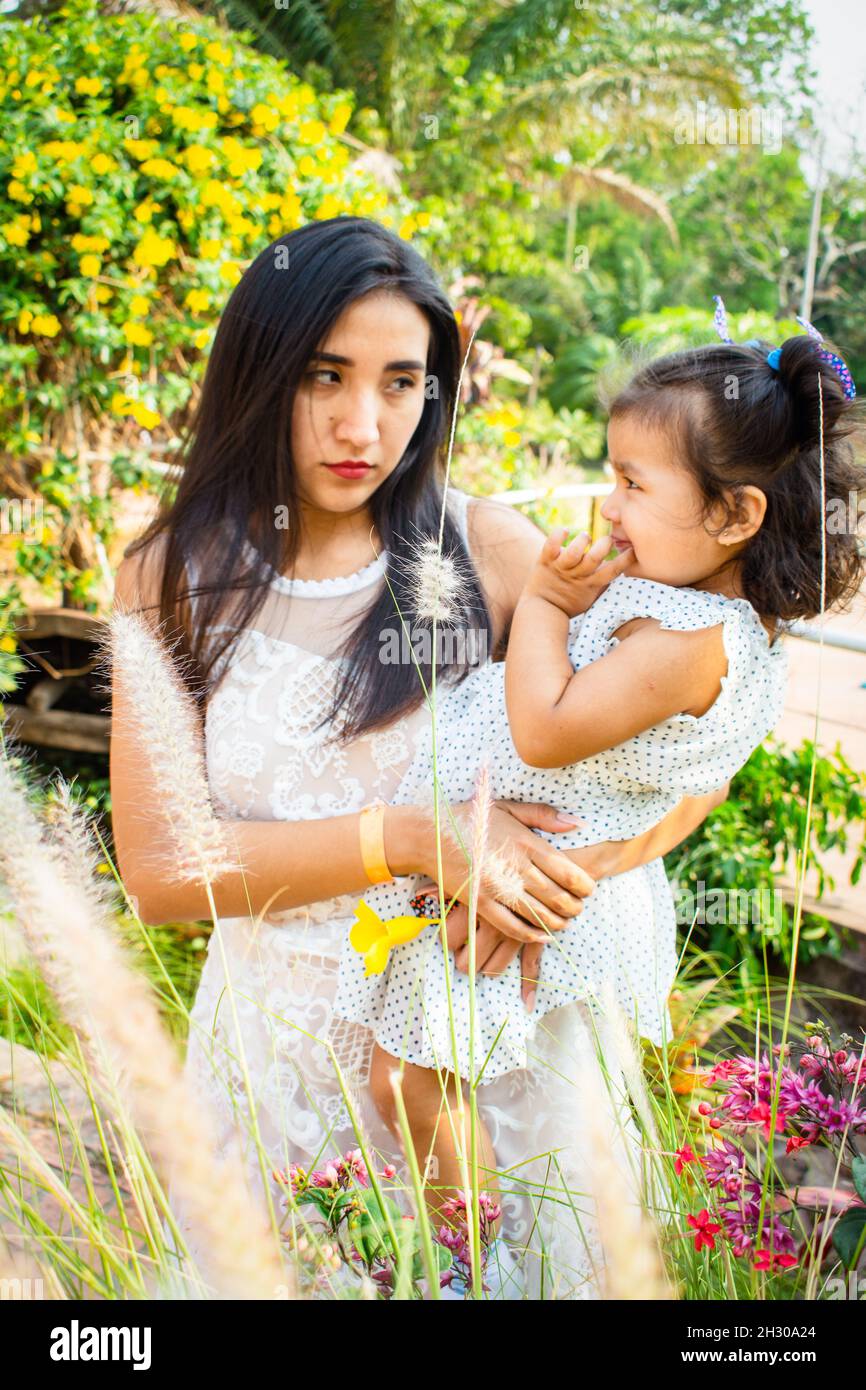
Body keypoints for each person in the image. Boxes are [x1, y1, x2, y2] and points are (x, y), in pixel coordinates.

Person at [109, 217, 727, 1299]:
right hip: (276, 1075)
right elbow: (161, 869)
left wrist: (536, 878)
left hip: (481, 1077)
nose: (363, 423)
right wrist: (409, 838)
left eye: (402, 383)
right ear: (258, 372)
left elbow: (692, 757)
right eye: (323, 376)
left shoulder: (487, 552)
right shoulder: (171, 575)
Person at [332, 315, 865, 1267]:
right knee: (428, 1077)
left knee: (412, 1081)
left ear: (735, 516)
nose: (607, 504)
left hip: (522, 878)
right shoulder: (683, 608)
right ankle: (478, 1256)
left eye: (631, 482)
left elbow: (544, 725)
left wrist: (543, 601)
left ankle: (474, 1267)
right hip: (502, 860)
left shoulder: (690, 642)